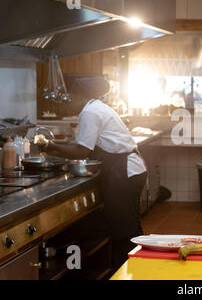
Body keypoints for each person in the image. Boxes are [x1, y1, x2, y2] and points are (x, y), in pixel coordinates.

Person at [38, 76, 147, 271]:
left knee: (123, 232)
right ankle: (131, 272)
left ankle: (125, 273)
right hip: (129, 170)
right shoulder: (97, 107)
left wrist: (52, 146)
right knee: (129, 228)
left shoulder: (89, 112)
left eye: (70, 96)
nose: (68, 101)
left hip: (124, 172)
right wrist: (55, 148)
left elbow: (82, 151)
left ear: (81, 96)